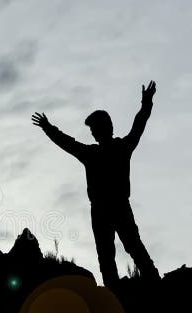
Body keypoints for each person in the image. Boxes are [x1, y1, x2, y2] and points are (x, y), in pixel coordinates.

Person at [32, 81, 161, 288]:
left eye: (93, 128)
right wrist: (146, 104)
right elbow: (138, 125)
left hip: (114, 207)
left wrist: (146, 104)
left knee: (124, 250)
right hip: (106, 209)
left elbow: (138, 125)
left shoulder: (102, 152)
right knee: (115, 253)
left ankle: (149, 285)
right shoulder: (115, 149)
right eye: (91, 129)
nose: (92, 133)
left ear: (104, 128)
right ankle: (138, 286)